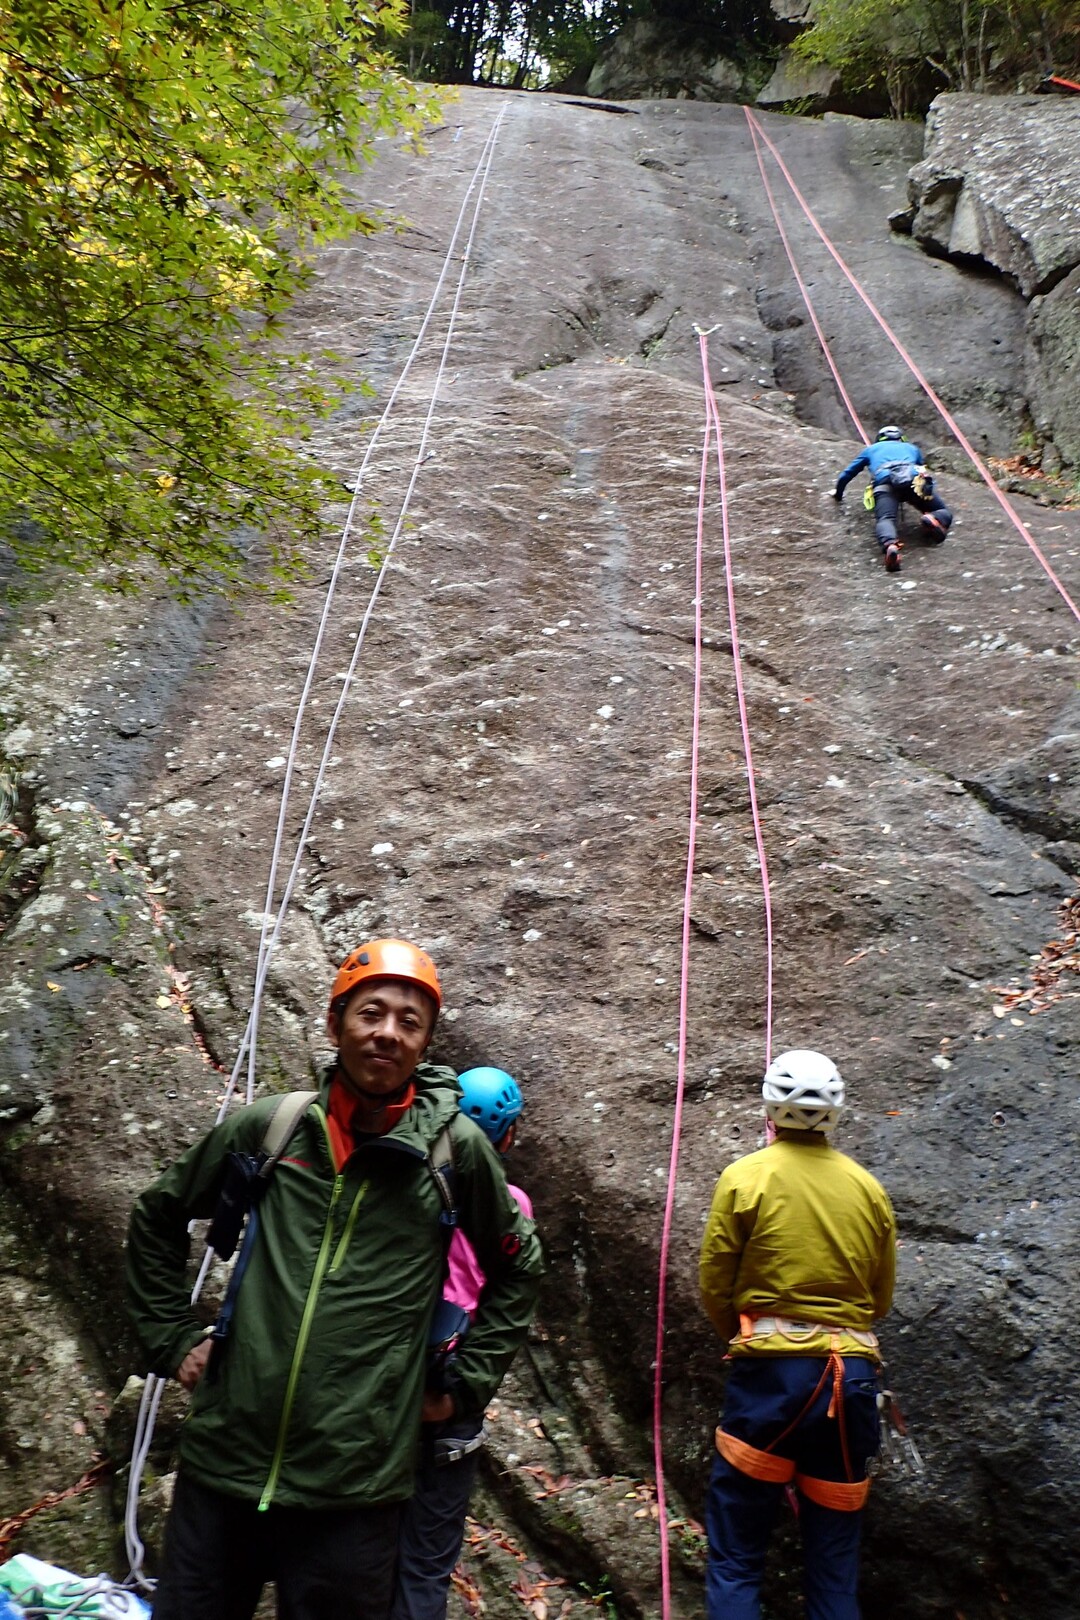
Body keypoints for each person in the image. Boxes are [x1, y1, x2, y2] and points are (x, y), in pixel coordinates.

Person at [126, 940, 543, 1620]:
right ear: (334, 1025)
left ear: (426, 1043)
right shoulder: (275, 1129)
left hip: (353, 1493)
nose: (387, 1032)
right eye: (370, 1013)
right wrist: (172, 1339)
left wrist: (464, 1386)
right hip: (224, 1469)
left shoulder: (454, 1153)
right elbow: (158, 1213)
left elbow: (518, 1266)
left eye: (409, 1022)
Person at [698, 1050, 896, 1620]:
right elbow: (878, 1301)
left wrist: (744, 1340)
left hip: (772, 1377)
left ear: (770, 1108)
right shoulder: (869, 1191)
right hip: (852, 1378)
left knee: (737, 1553)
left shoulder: (744, 1178)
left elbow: (717, 1283)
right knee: (835, 1567)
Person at [391, 1066, 532, 1620]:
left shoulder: (408, 1186)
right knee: (425, 1561)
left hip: (390, 1376)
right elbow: (508, 1287)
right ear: (508, 1135)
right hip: (452, 1380)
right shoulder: (513, 1202)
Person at [834, 424, 953, 572]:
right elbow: (921, 469)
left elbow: (846, 474)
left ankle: (890, 545)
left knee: (886, 519)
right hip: (913, 481)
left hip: (885, 483)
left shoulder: (871, 449)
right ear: (900, 438)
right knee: (941, 509)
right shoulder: (911, 448)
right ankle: (933, 517)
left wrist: (838, 495)